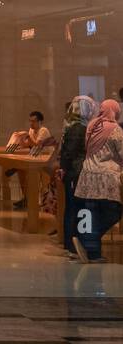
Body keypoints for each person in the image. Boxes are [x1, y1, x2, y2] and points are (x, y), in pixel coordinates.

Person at [73, 98, 123, 263]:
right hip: (105, 177)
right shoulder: (115, 129)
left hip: (87, 175)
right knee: (113, 212)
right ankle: (87, 242)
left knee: (91, 213)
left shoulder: (92, 125)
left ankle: (92, 252)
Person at [52, 96, 95, 258]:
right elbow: (70, 153)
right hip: (77, 173)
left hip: (72, 172)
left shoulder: (71, 125)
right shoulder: (79, 128)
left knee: (72, 208)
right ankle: (73, 245)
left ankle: (70, 243)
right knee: (76, 208)